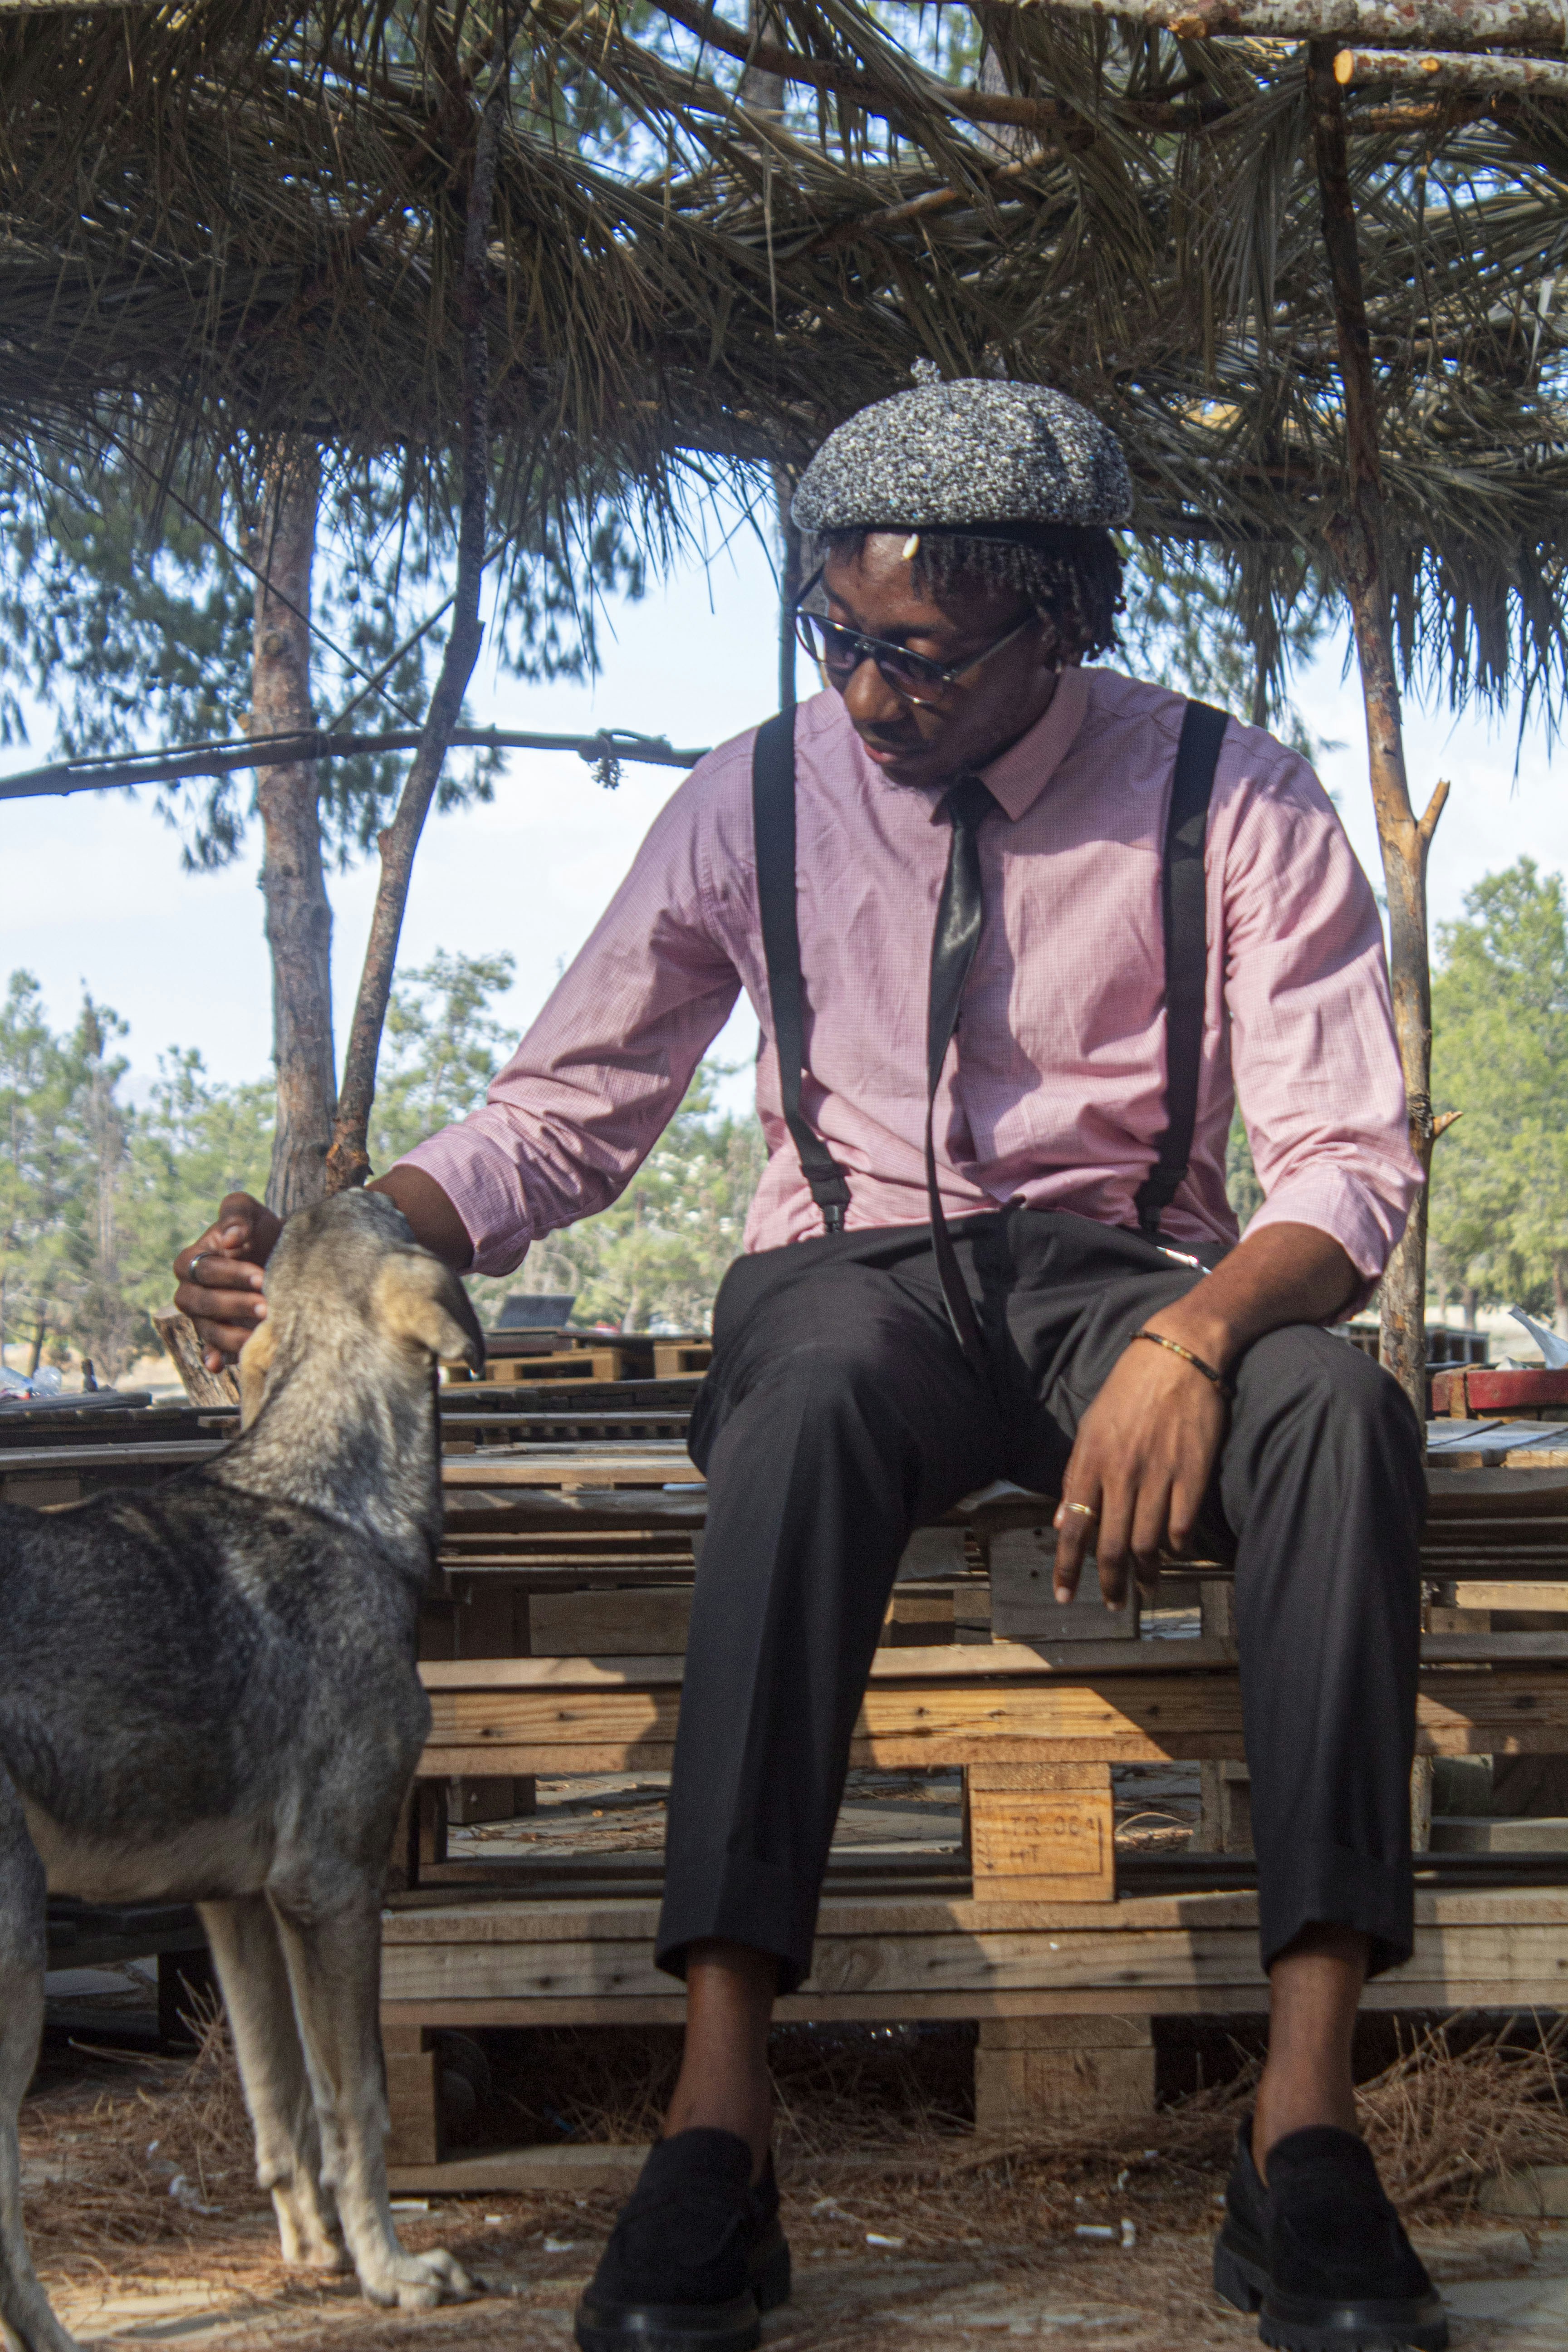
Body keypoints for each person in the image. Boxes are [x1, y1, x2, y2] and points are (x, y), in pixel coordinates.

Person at [176, 376, 1446, 2352]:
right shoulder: (751, 798)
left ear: (1065, 624)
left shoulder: (1235, 796)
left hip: (1127, 1281)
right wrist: (350, 1242)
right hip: (850, 1275)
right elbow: (565, 1114)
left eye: (920, 658)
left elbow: (1351, 1156)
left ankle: (1302, 2135)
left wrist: (1196, 1333)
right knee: (813, 1392)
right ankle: (722, 2122)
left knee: (1341, 1418)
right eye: (837, 642)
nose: (868, 696)